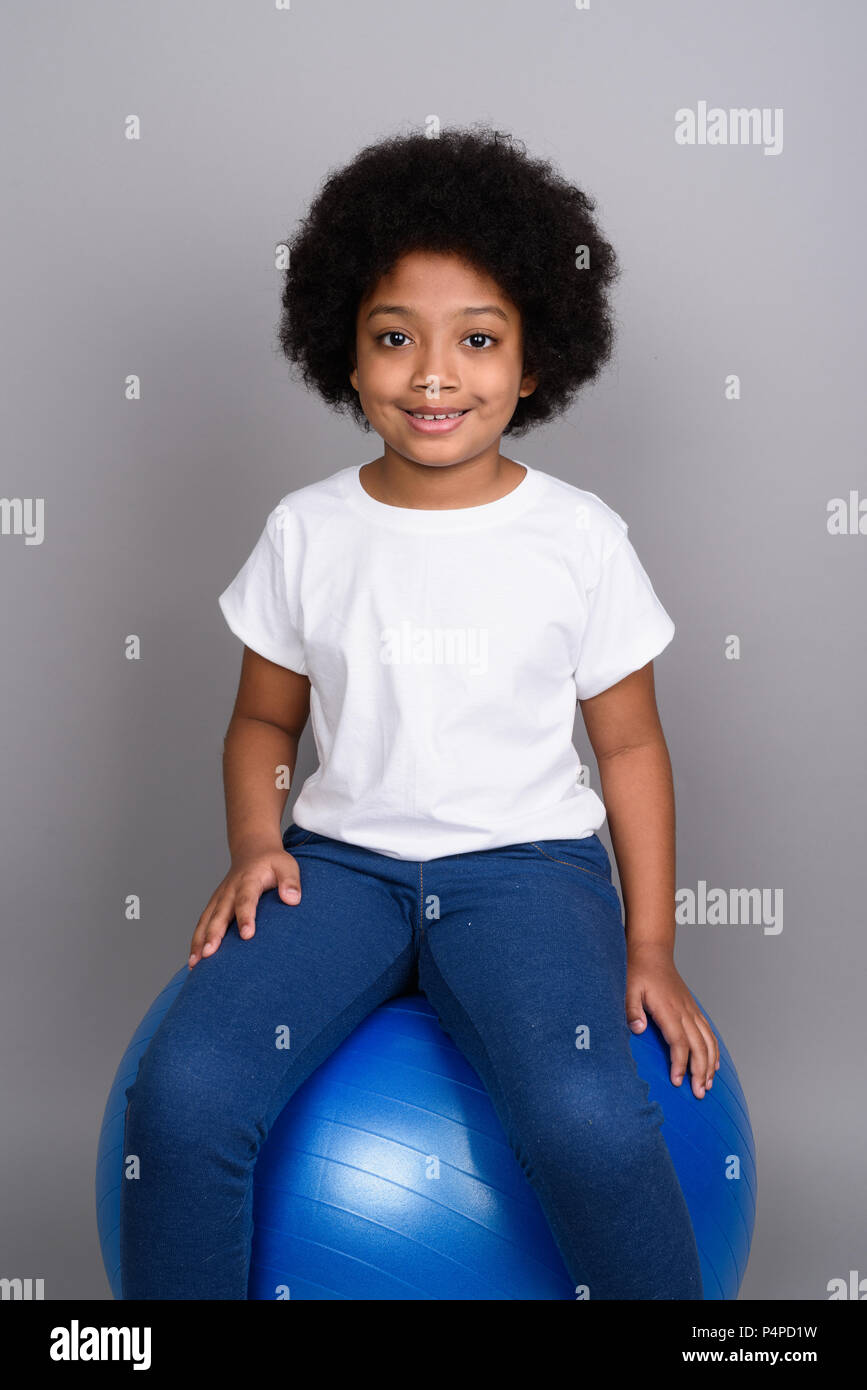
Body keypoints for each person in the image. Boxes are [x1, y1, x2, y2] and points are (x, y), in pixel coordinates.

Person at [120, 125, 718, 1300]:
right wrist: (256, 846)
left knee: (582, 1113)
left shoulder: (579, 537)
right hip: (337, 870)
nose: (434, 375)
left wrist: (650, 944)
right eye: (395, 338)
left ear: (536, 361)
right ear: (345, 354)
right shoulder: (308, 530)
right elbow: (261, 725)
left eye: (478, 341)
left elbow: (632, 744)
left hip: (528, 873)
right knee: (184, 1091)